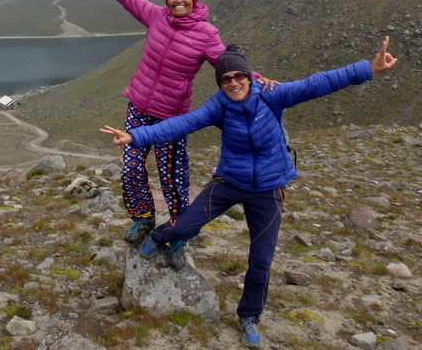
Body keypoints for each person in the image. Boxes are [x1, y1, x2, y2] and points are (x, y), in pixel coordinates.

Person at [100, 37, 398, 349]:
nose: (233, 83)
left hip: (268, 189)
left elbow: (317, 84)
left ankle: (249, 317)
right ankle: (158, 237)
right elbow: (181, 124)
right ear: (220, 83)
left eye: (239, 76)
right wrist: (136, 136)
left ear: (249, 75)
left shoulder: (271, 95)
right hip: (230, 180)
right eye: (225, 79)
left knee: (261, 260)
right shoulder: (219, 105)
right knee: (186, 226)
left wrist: (369, 68)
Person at [80, 0, 276, 252]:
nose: (178, 1)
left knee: (173, 177)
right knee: (131, 168)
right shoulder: (156, 16)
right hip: (139, 107)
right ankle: (142, 217)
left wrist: (259, 80)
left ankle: (178, 230)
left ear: (194, 0)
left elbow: (228, 65)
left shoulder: (206, 34)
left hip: (173, 116)